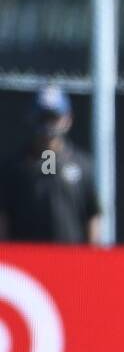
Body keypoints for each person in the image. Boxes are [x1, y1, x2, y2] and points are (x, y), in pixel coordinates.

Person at [0, 87, 102, 244]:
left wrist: (94, 259)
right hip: (27, 259)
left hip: (71, 259)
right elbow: (4, 217)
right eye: (43, 118)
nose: (48, 125)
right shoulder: (15, 167)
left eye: (53, 118)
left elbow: (92, 215)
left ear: (67, 119)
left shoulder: (82, 165)